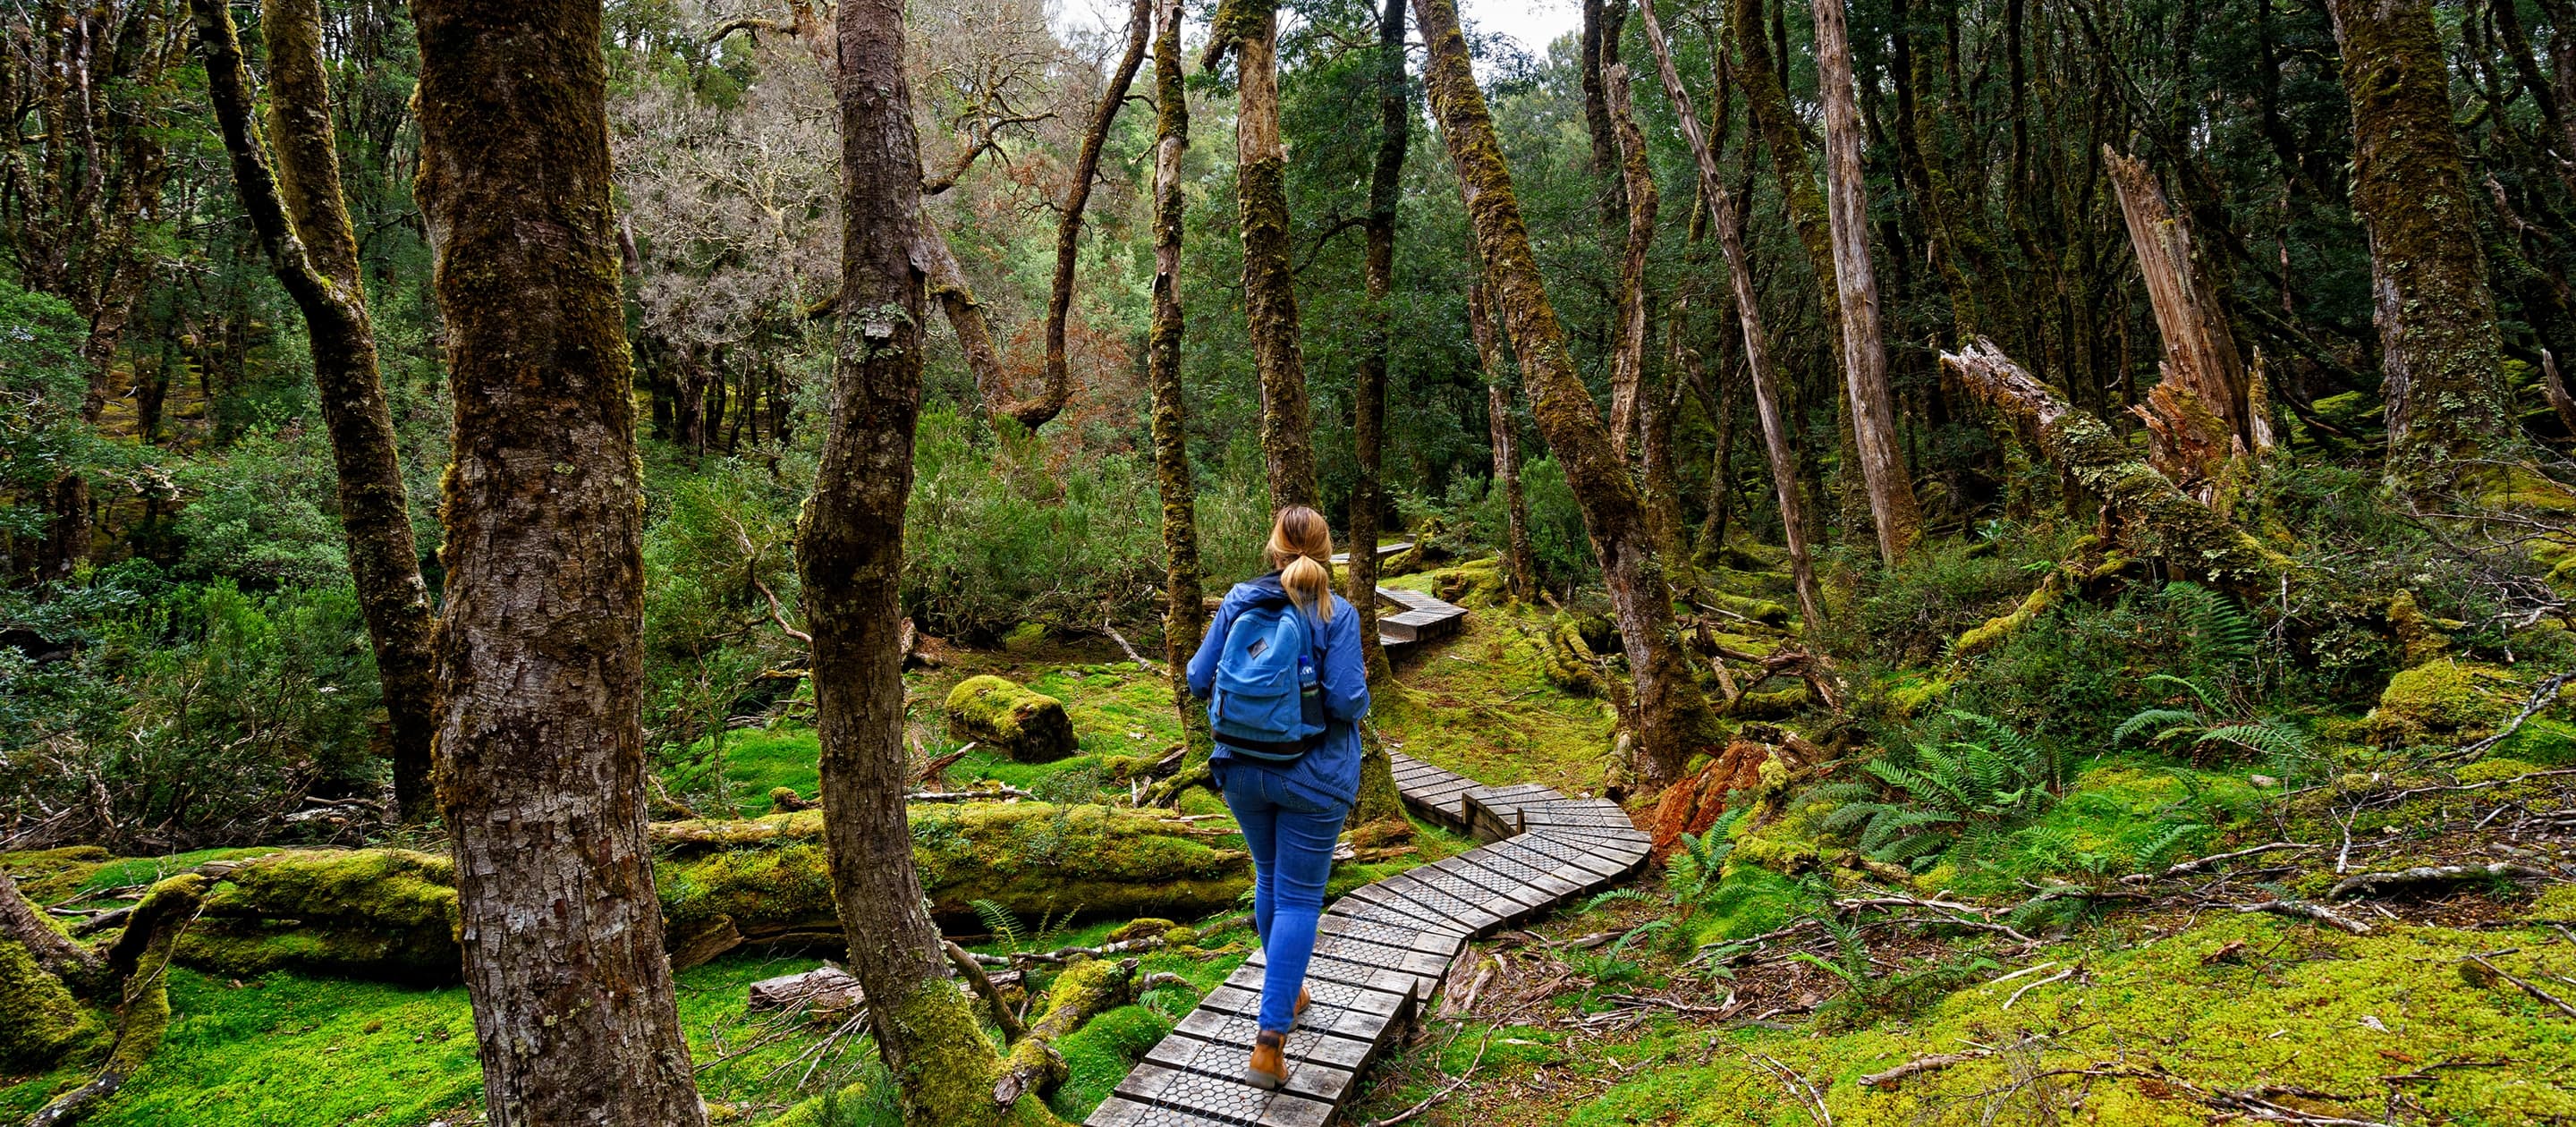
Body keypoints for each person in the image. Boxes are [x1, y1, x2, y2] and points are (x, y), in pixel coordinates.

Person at [1187, 505, 1370, 1090]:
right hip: (1314, 777)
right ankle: (1268, 1045)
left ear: (1273, 549)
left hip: (1241, 769)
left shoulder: (1241, 598)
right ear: (1325, 551)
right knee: (1296, 901)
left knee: (1270, 880)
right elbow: (1344, 702)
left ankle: (1287, 995)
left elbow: (1196, 677)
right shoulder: (1336, 614)